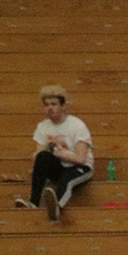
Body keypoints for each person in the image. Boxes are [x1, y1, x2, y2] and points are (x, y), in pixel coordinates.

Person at [11, 84, 92, 222]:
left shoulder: (76, 125)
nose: (50, 108)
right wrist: (44, 152)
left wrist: (60, 154)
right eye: (46, 105)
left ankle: (58, 206)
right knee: (43, 156)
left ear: (62, 106)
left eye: (54, 104)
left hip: (79, 167)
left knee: (68, 179)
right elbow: (38, 154)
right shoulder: (43, 127)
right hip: (59, 166)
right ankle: (33, 201)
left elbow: (81, 158)